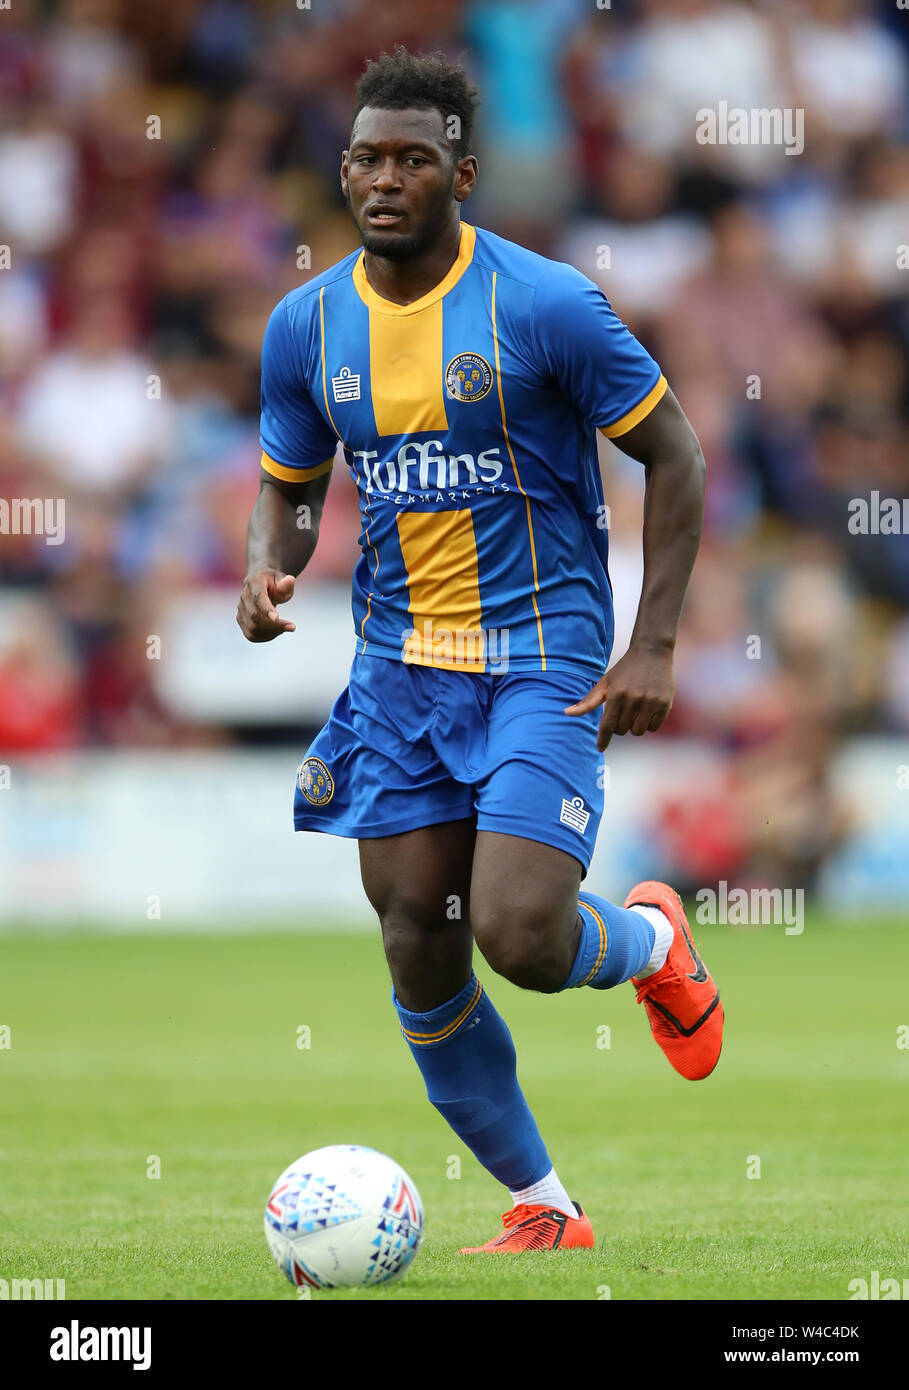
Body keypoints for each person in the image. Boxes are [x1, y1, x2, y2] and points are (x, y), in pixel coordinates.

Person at [237, 47, 722, 1254]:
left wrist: (651, 643)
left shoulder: (547, 303)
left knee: (520, 934)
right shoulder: (306, 325)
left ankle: (653, 940)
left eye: (412, 159)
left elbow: (680, 455)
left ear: (462, 171)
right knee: (417, 934)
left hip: (541, 653)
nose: (384, 179)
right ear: (343, 171)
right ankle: (546, 1206)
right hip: (397, 668)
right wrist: (268, 560)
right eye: (365, 159)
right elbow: (289, 483)